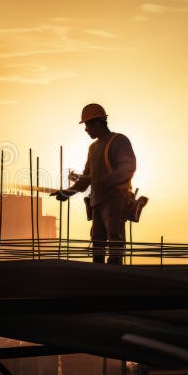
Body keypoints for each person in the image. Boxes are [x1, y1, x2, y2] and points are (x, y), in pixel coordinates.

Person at [52, 103, 136, 264]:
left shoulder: (119, 141)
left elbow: (128, 168)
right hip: (97, 202)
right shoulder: (93, 148)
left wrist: (104, 182)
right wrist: (66, 193)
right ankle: (99, 271)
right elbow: (85, 180)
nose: (86, 129)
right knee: (97, 241)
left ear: (98, 122)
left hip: (115, 200)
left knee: (114, 237)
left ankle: (114, 271)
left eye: (88, 125)